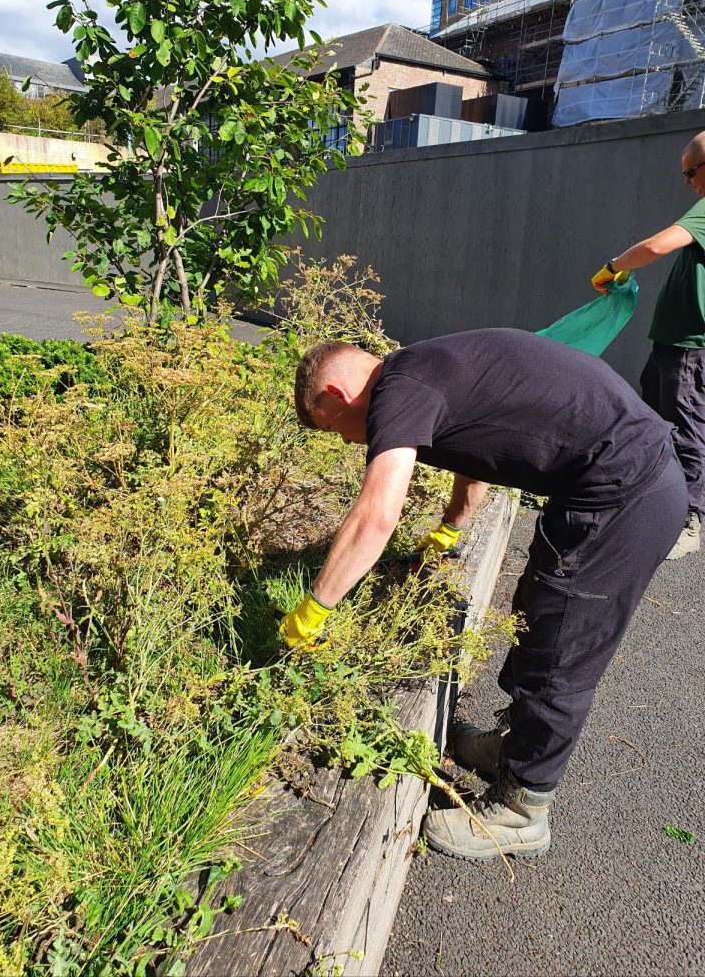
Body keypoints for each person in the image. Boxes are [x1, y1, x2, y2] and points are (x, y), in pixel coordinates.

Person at [280, 329, 687, 860]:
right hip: (606, 479)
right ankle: (514, 750)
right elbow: (477, 450)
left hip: (627, 493)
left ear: (337, 396)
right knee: (537, 609)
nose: (346, 442)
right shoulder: (423, 368)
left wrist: (313, 610)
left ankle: (525, 809)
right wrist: (451, 526)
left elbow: (377, 516)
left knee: (560, 649)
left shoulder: (396, 391)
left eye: (335, 429)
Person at [591, 129, 705, 559]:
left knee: (686, 429)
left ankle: (688, 521)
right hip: (676, 344)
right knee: (659, 426)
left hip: (690, 347)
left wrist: (613, 268)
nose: (688, 182)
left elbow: (658, 244)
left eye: (691, 172)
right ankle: (655, 502)